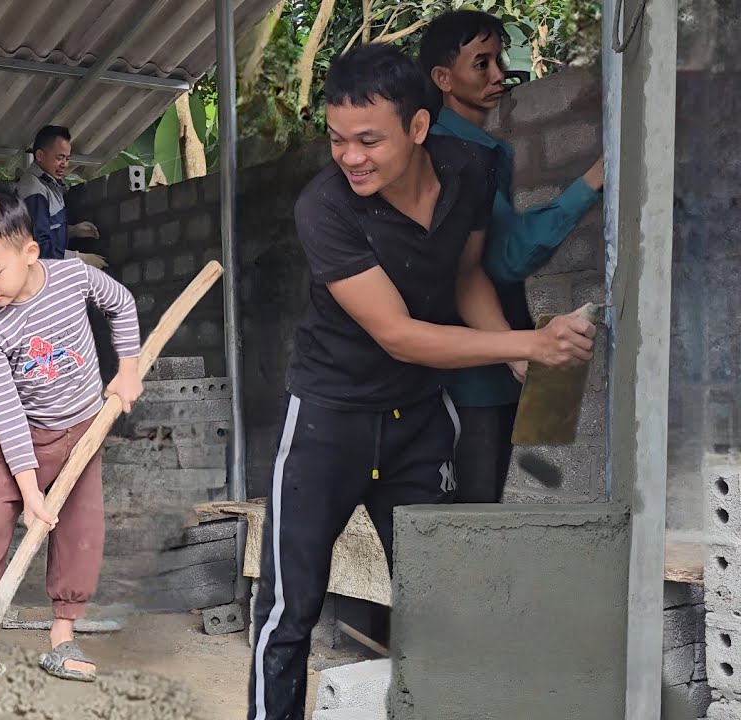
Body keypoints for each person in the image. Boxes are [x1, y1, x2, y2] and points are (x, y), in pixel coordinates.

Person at [247, 44, 596, 720]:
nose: (349, 157)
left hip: (418, 419)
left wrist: (516, 358)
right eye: (337, 139)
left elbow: (466, 277)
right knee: (293, 607)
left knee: (441, 598)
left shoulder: (470, 170)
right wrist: (524, 341)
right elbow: (399, 333)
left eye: (367, 139)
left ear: (417, 128)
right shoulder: (325, 208)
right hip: (328, 418)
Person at [0, 185, 142, 682]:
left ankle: (62, 637)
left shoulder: (74, 278)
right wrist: (29, 488)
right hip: (16, 437)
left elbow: (121, 305)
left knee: (81, 530)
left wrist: (128, 370)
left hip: (83, 429)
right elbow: (7, 409)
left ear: (30, 251)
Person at [419, 10, 605, 503]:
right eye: (481, 64)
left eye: (498, 60)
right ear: (443, 78)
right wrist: (593, 182)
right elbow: (502, 259)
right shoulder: (454, 152)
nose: (499, 74)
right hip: (469, 366)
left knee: (481, 500)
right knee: (473, 508)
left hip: (492, 352)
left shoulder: (478, 148)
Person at [16, 124, 108, 269]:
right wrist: (80, 258)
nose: (64, 164)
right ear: (40, 156)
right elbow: (39, 247)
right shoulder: (34, 190)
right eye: (59, 158)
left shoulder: (49, 184)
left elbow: (45, 227)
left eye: (67, 158)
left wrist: (72, 231)